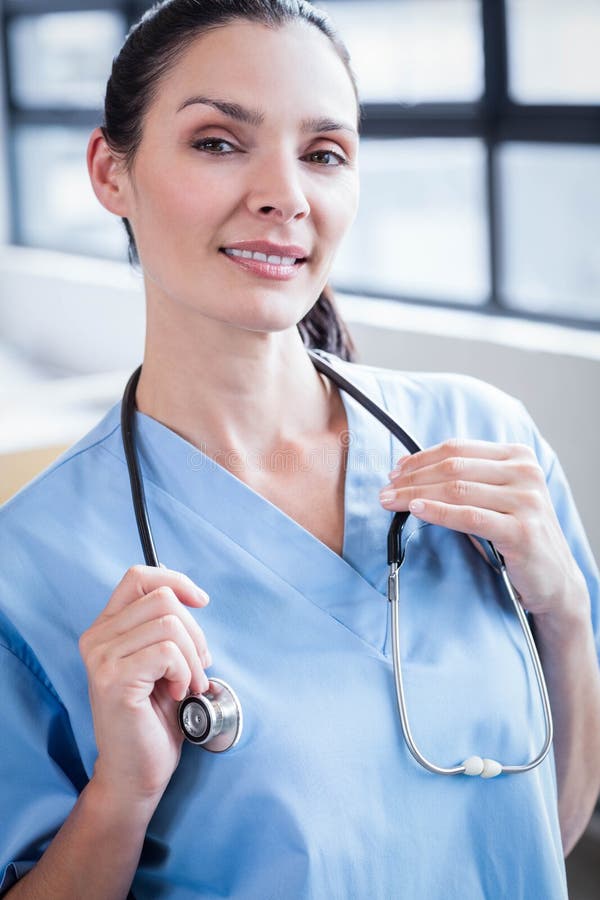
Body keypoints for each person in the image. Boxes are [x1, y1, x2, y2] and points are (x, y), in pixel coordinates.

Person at [1, 1, 599, 897]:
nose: (286, 195)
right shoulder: (28, 568)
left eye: (324, 154)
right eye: (217, 142)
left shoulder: (489, 441)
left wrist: (564, 615)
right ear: (109, 171)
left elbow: (542, 833)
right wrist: (122, 795)